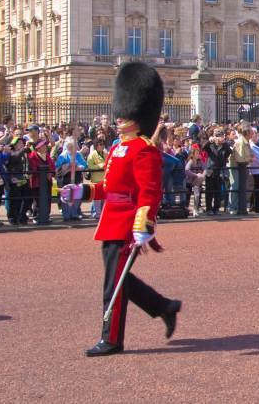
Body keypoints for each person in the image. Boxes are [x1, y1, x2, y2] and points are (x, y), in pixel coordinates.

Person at [62, 62, 182, 356]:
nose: (119, 119)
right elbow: (110, 188)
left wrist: (145, 224)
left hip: (129, 223)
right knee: (117, 279)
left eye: (124, 115)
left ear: (137, 116)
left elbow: (150, 191)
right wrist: (82, 190)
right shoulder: (118, 148)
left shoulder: (143, 149)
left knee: (112, 284)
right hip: (110, 221)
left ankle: (112, 339)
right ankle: (163, 306)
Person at [56, 139, 89, 221]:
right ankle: (66, 215)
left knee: (76, 196)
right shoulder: (63, 155)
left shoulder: (78, 154)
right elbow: (57, 167)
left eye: (73, 147)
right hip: (66, 179)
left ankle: (74, 214)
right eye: (70, 147)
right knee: (66, 196)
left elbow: (84, 164)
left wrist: (79, 167)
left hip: (76, 177)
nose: (71, 148)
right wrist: (67, 166)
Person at [87, 137, 108, 219]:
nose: (102, 146)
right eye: (100, 144)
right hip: (96, 180)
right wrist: (100, 166)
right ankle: (97, 213)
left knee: (104, 198)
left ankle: (103, 213)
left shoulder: (106, 153)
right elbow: (90, 166)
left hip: (104, 179)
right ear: (96, 145)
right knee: (97, 199)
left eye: (103, 144)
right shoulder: (92, 155)